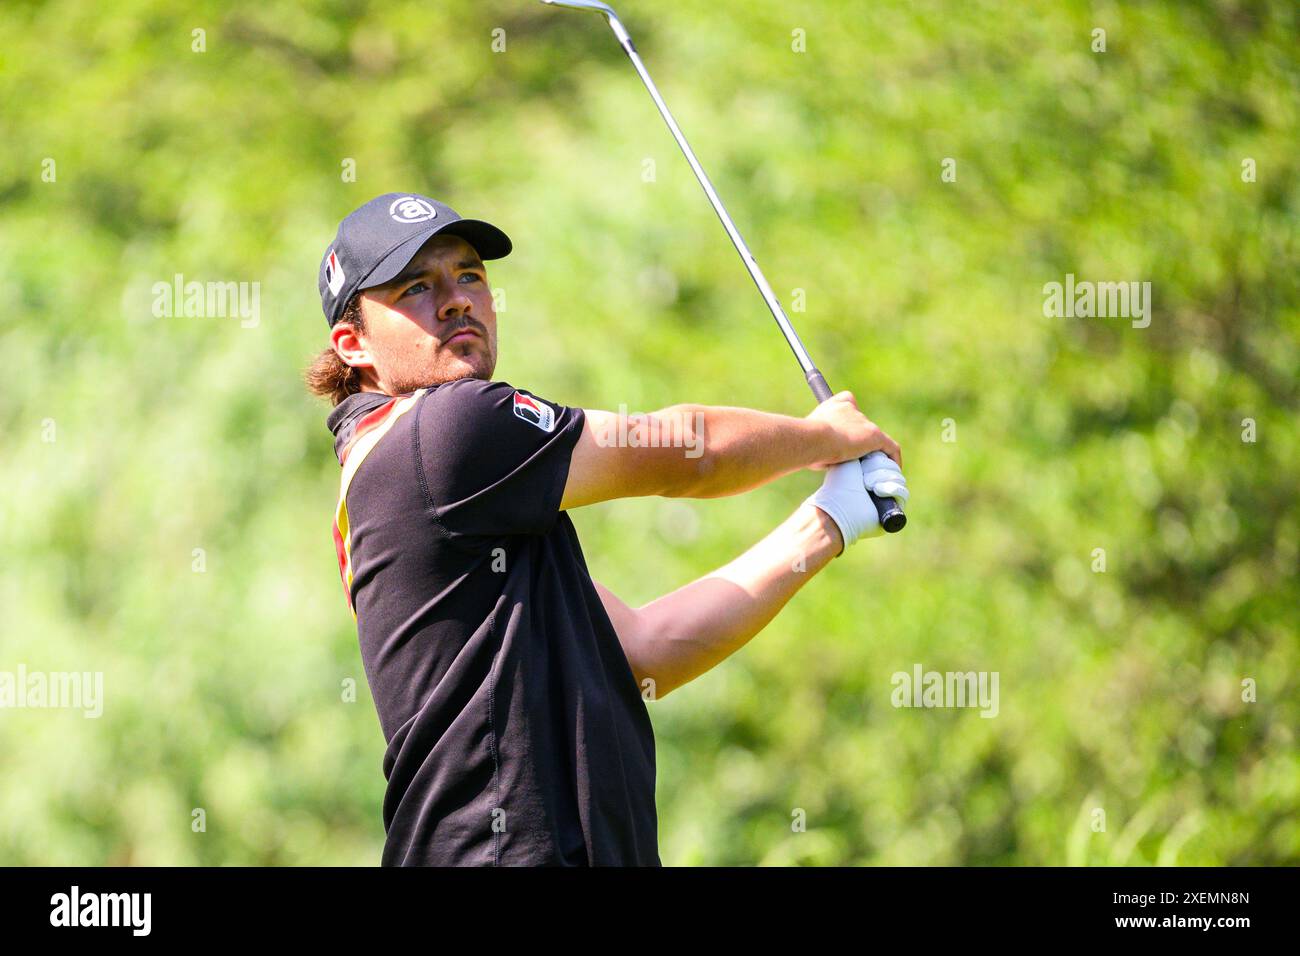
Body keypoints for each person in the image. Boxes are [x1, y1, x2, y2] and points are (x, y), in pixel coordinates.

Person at [305, 192, 909, 866]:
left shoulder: (452, 486)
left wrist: (832, 518)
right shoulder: (445, 433)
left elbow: (648, 652)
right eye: (417, 286)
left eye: (469, 274)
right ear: (352, 344)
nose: (456, 299)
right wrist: (824, 434)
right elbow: (689, 452)